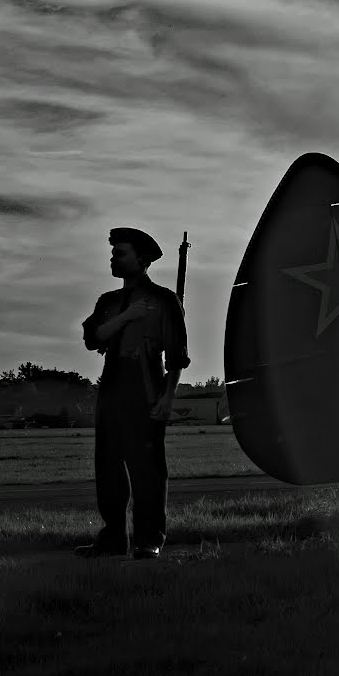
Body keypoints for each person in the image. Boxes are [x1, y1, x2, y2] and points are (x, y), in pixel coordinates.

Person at [77, 228, 187, 559]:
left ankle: (148, 539)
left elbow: (177, 355)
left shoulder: (165, 300)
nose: (113, 258)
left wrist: (168, 397)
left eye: (120, 253)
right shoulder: (108, 302)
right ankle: (113, 538)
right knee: (107, 467)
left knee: (147, 470)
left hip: (147, 386)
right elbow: (93, 338)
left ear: (141, 260)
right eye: (113, 254)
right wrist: (128, 316)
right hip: (112, 386)